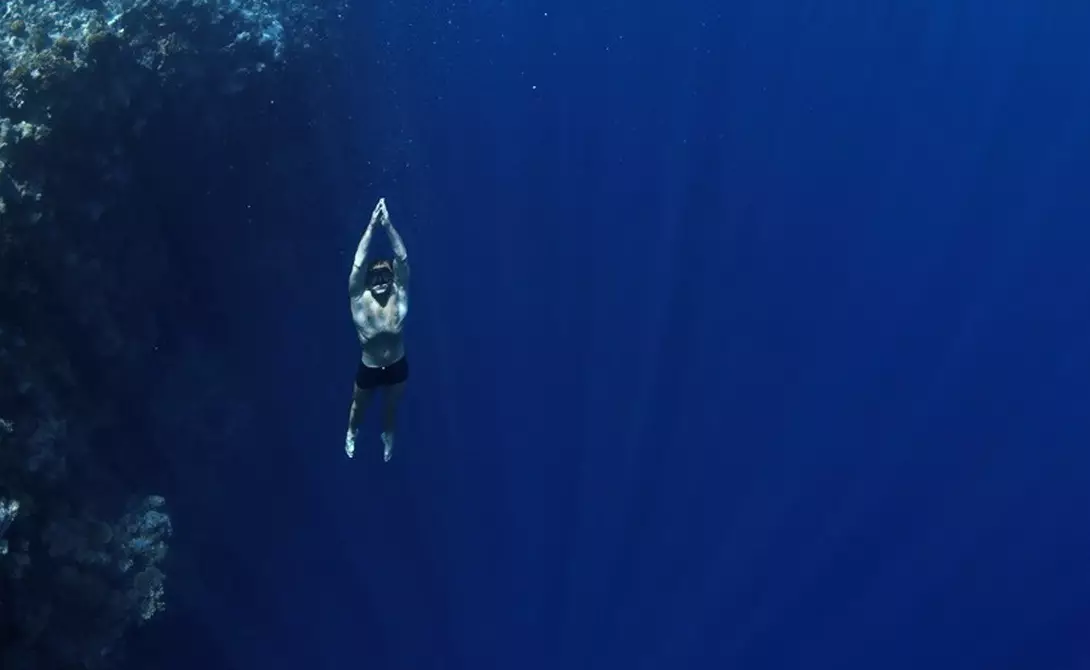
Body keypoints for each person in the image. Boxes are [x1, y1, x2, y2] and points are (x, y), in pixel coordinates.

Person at [345, 197, 410, 462]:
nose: (381, 281)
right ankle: (352, 431)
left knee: (391, 407)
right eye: (375, 277)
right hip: (369, 366)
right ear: (367, 281)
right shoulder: (359, 298)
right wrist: (372, 227)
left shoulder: (399, 293)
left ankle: (388, 434)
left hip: (397, 363)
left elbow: (402, 258)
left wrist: (388, 225)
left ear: (393, 278)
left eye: (386, 275)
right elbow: (359, 264)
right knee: (359, 405)